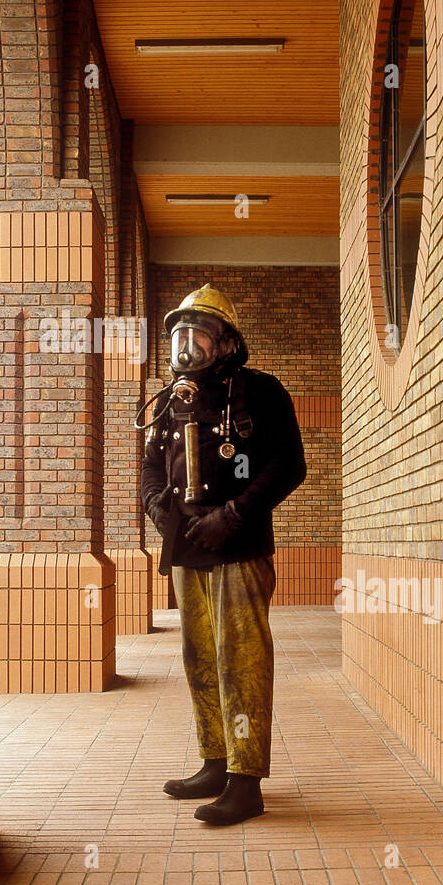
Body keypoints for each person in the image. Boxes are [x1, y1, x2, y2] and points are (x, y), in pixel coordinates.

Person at [140, 285, 307, 825]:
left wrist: (234, 514)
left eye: (199, 332)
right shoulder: (168, 400)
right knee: (200, 659)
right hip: (188, 551)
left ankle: (246, 780)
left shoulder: (259, 393)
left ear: (227, 342)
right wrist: (157, 510)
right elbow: (146, 468)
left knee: (241, 660)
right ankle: (215, 761)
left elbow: (287, 466)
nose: (186, 344)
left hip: (238, 549)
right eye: (178, 333)